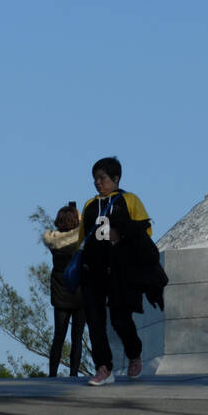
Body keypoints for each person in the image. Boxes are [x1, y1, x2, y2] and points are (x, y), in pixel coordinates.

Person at [76, 157, 152, 385]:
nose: (98, 183)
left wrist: (122, 236)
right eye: (95, 179)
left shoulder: (129, 200)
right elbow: (82, 238)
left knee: (120, 319)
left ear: (116, 178)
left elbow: (145, 231)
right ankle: (103, 367)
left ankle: (134, 353)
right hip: (93, 270)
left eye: (103, 178)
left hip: (120, 270)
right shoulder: (90, 205)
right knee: (95, 321)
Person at [42, 202, 86, 378]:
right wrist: (82, 220)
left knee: (58, 337)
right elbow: (90, 230)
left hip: (60, 292)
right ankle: (73, 374)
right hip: (79, 291)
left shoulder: (53, 242)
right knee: (77, 338)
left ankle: (52, 373)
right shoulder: (79, 240)